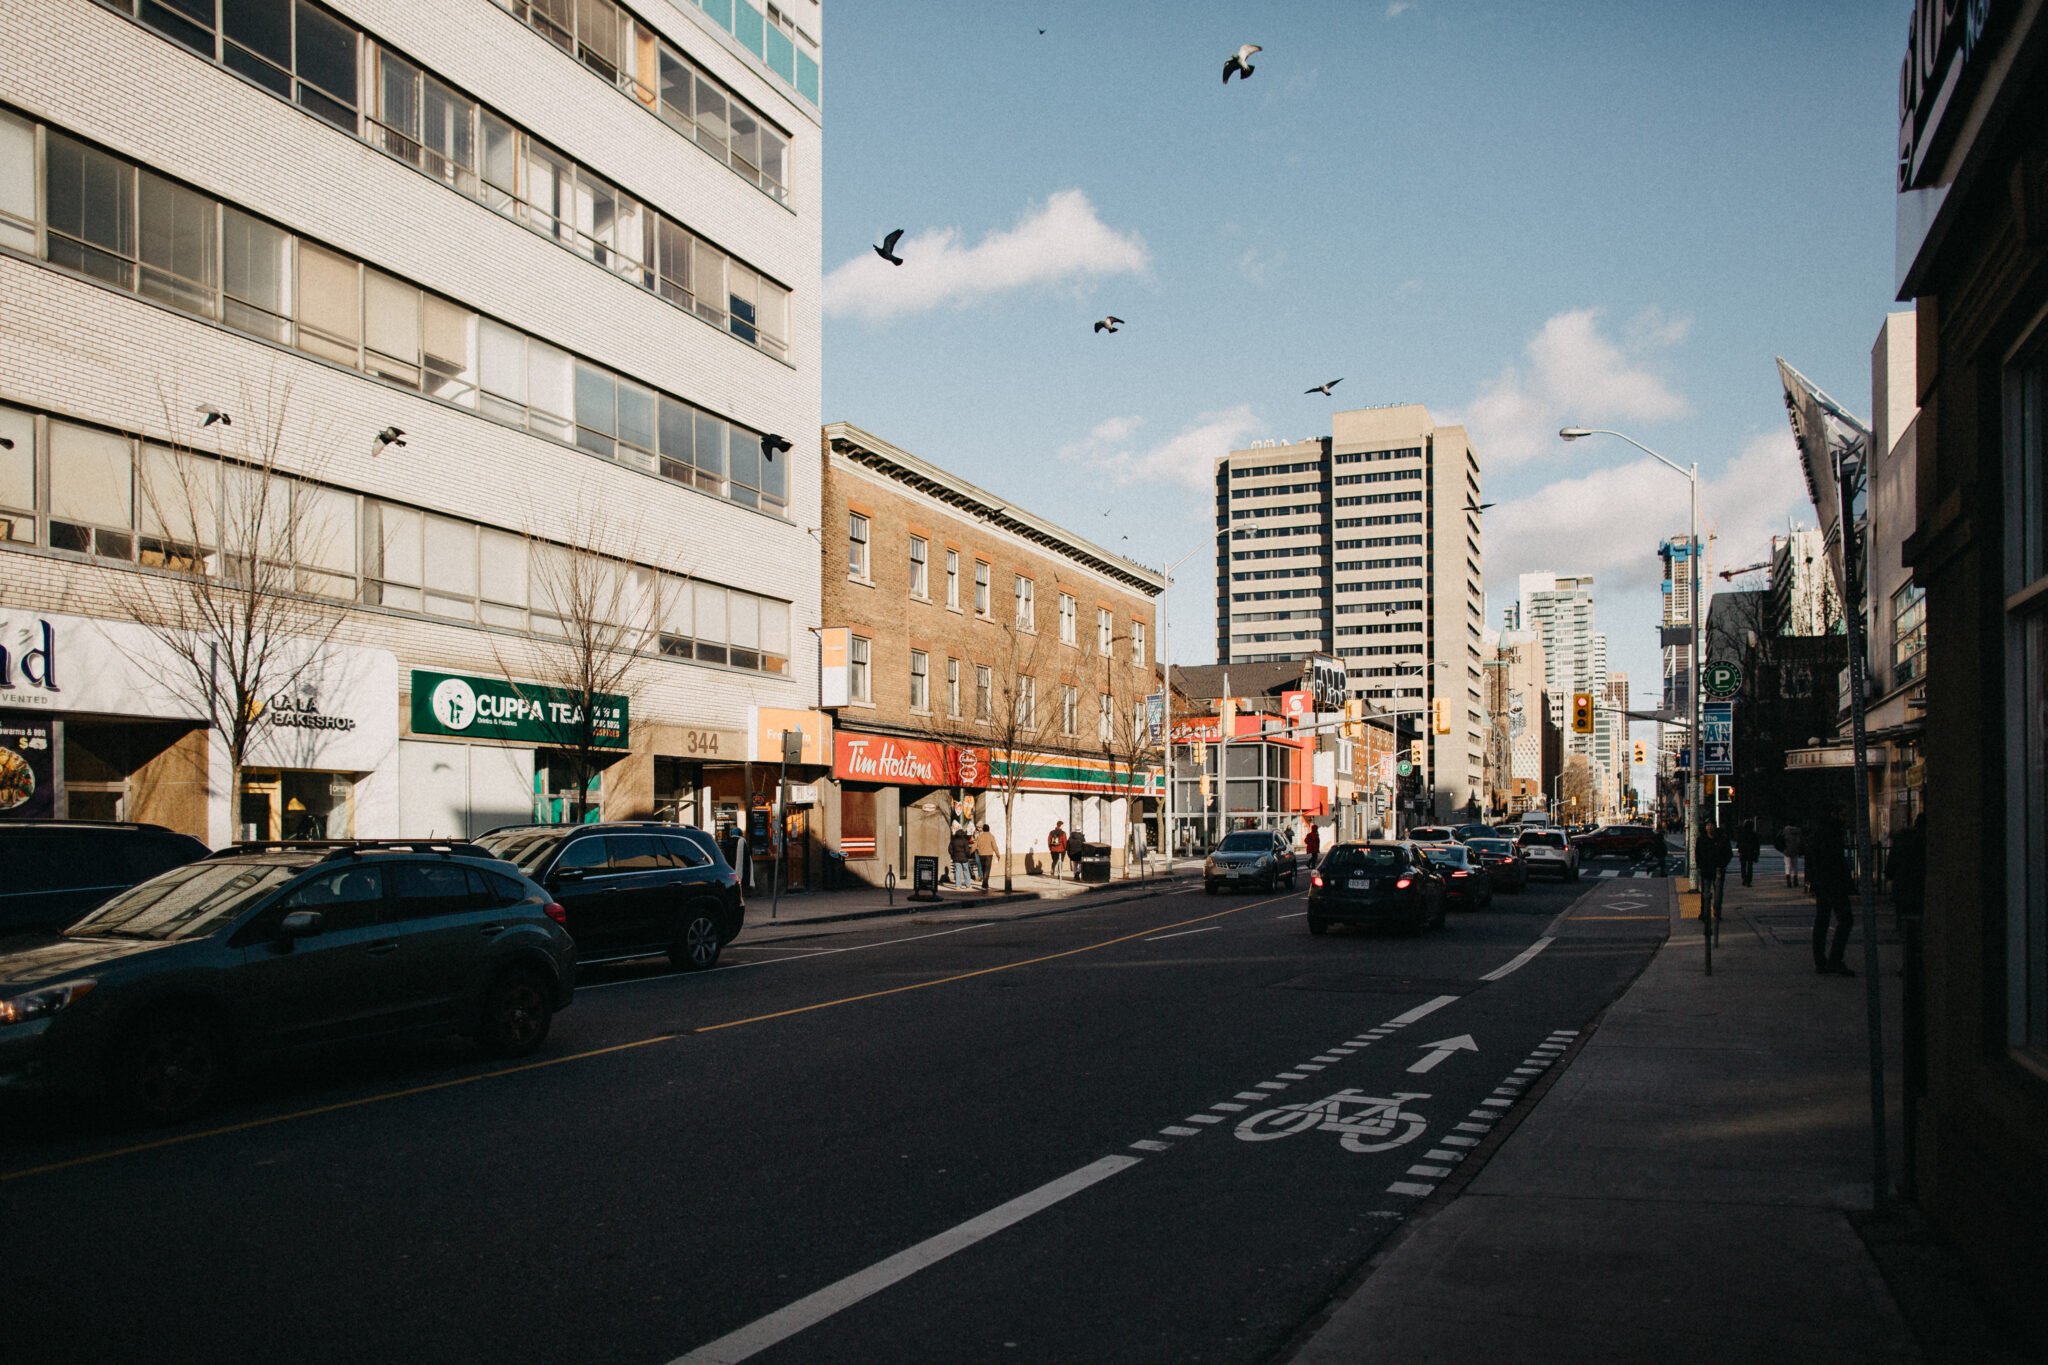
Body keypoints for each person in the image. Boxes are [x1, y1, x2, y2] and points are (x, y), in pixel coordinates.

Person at [1807, 802, 1854, 975]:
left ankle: (1821, 961)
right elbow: (1833, 860)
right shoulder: (1831, 833)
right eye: (1842, 815)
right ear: (1834, 815)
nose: (1845, 818)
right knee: (1845, 919)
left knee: (1822, 920)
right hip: (1832, 882)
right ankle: (1834, 959)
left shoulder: (1820, 831)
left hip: (1823, 882)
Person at [1699, 819, 1732, 940]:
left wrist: (1722, 865)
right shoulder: (1701, 839)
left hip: (1718, 870)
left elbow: (1728, 854)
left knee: (1718, 892)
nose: (1709, 827)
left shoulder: (1722, 839)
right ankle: (1704, 913)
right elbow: (1698, 854)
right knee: (1705, 893)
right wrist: (1700, 866)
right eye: (1707, 825)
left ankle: (1717, 911)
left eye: (1711, 825)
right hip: (1706, 870)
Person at [948, 824, 976, 893]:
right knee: (966, 871)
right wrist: (968, 855)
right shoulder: (965, 841)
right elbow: (967, 850)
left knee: (957, 871)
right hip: (964, 859)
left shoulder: (953, 841)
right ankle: (968, 885)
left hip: (956, 858)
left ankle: (958, 886)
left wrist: (953, 855)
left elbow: (949, 849)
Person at [1736, 819, 1761, 887]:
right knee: (1750, 867)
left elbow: (1738, 842)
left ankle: (1744, 879)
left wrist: (1739, 848)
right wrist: (1757, 852)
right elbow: (1757, 844)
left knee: (1743, 866)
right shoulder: (1753, 834)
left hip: (1743, 851)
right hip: (1751, 851)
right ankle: (1749, 880)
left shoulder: (1742, 833)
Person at [974, 823, 997, 890]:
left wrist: (969, 852)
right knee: (987, 869)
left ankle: (985, 884)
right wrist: (998, 854)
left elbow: (975, 846)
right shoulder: (991, 836)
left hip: (981, 855)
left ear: (983, 829)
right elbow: (994, 846)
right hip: (989, 855)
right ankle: (985, 884)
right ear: (989, 829)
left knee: (984, 869)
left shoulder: (980, 836)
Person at [1782, 822, 1804, 888]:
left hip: (1787, 849)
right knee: (1795, 865)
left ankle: (1788, 881)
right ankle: (1795, 880)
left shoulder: (1786, 830)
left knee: (1787, 865)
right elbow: (1800, 841)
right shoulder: (1798, 831)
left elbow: (1782, 839)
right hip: (1795, 849)